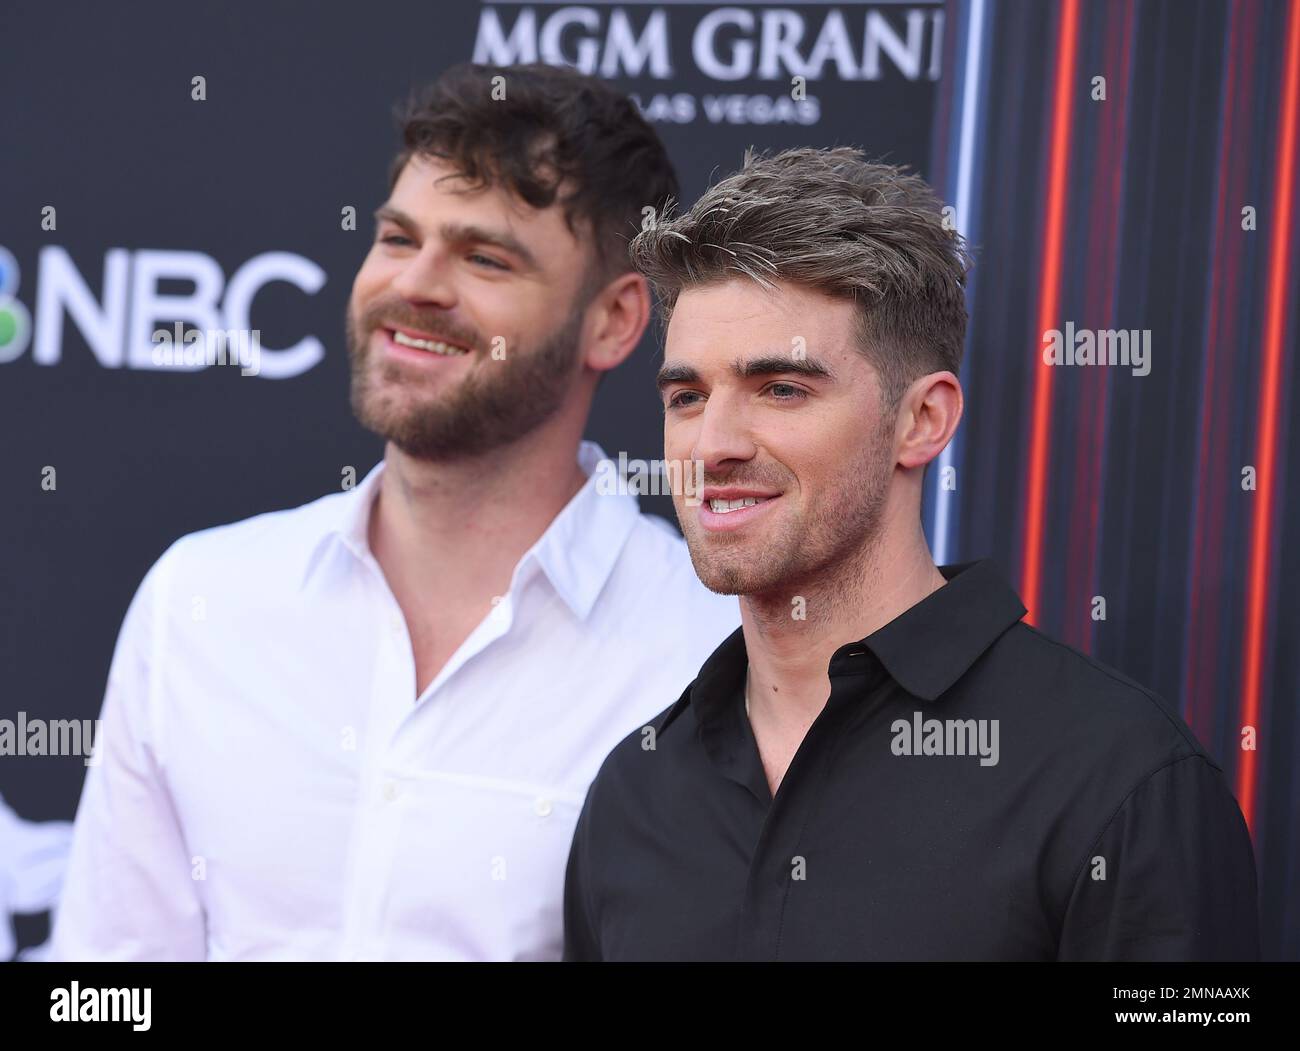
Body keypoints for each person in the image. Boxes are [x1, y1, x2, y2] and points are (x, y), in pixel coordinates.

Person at [51, 63, 738, 961]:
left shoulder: (708, 652)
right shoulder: (201, 601)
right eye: (396, 238)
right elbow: (106, 983)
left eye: (485, 256)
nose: (416, 285)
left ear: (613, 321)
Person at [562, 147, 1260, 961]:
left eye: (781, 389)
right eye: (688, 397)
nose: (712, 445)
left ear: (922, 420)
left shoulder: (1122, 784)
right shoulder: (634, 794)